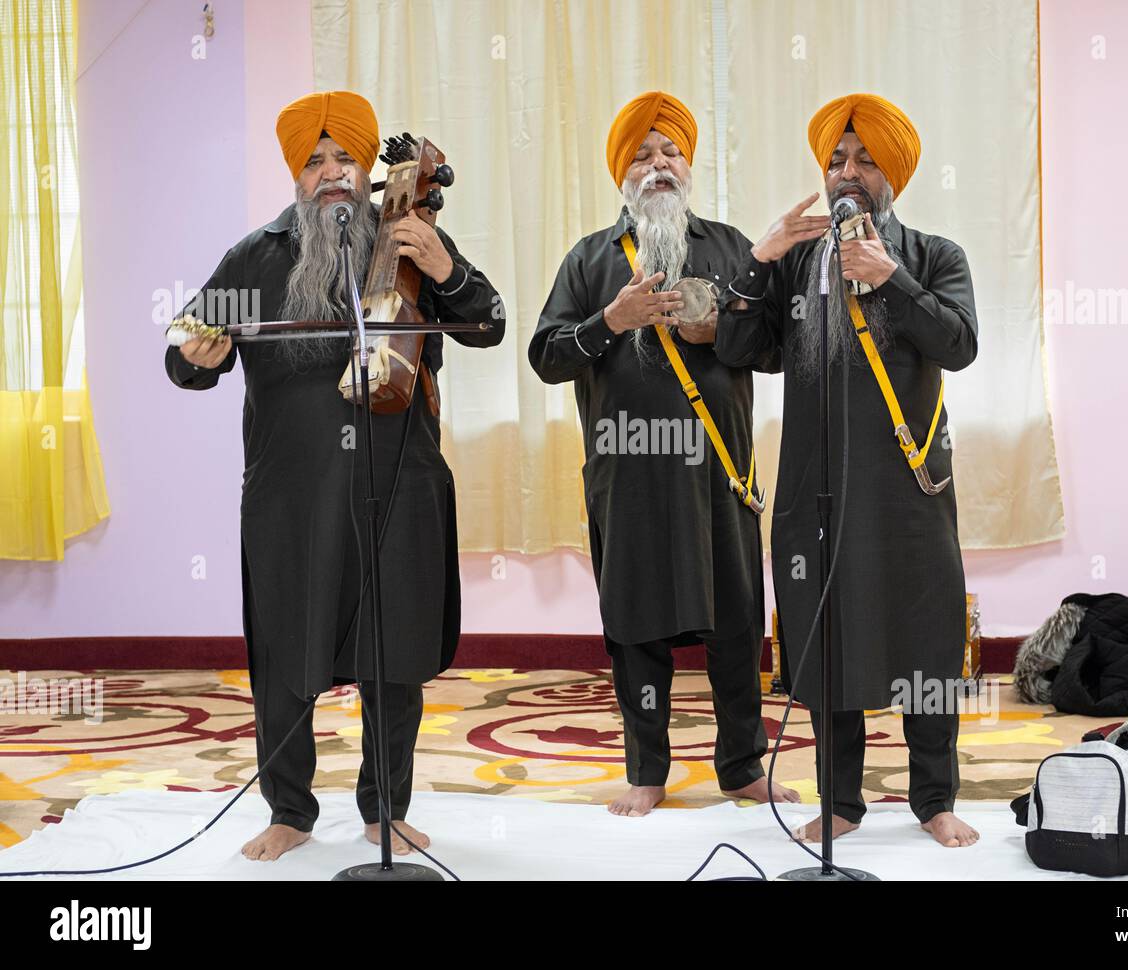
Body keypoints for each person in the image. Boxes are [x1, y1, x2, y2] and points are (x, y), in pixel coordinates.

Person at [164, 90, 504, 860]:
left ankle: (386, 809)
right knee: (284, 655)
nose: (332, 173)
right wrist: (194, 355)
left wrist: (446, 268)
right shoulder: (255, 255)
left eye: (345, 157)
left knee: (395, 652)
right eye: (315, 161)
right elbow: (183, 352)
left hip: (400, 487)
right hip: (290, 497)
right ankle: (289, 811)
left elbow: (490, 324)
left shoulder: (412, 239)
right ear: (297, 174)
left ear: (367, 168)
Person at [715, 93, 979, 847]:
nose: (848, 172)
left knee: (926, 641)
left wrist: (891, 277)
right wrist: (759, 261)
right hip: (815, 493)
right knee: (827, 639)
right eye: (836, 160)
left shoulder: (934, 256)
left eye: (864, 159)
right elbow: (739, 349)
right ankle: (841, 802)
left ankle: (934, 799)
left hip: (908, 493)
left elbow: (960, 344)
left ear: (893, 173)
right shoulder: (799, 261)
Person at [529, 91, 798, 817]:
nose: (659, 165)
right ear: (622, 173)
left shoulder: (734, 249)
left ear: (689, 165)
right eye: (643, 155)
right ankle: (646, 769)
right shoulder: (590, 258)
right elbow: (547, 357)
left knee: (736, 625)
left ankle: (741, 765)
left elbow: (777, 348)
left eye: (670, 151)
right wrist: (610, 321)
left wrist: (717, 334)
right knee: (636, 626)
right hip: (629, 475)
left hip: (719, 472)